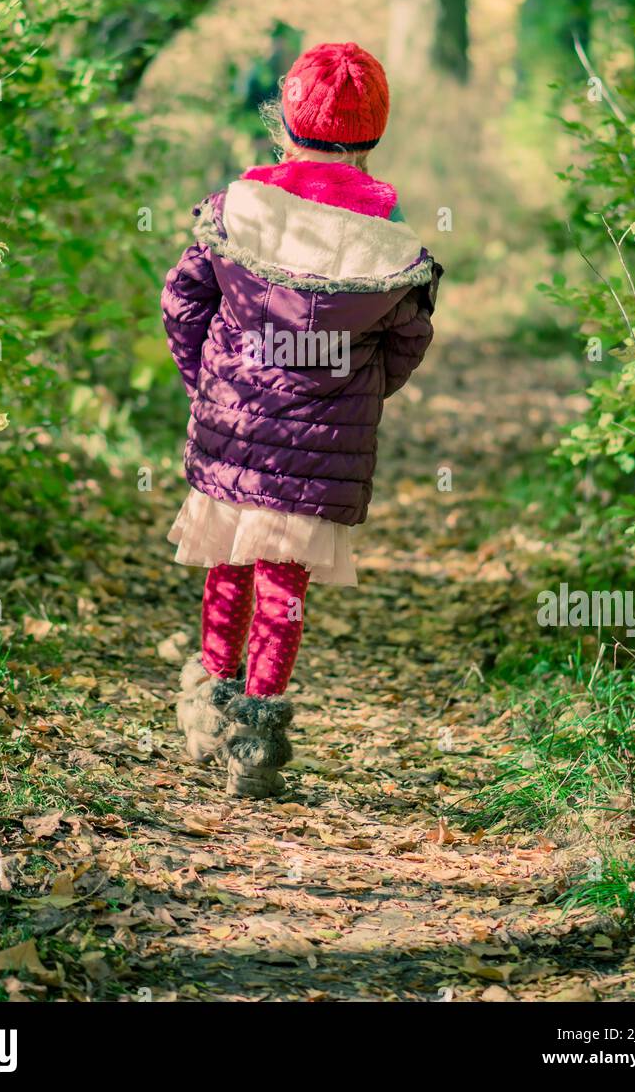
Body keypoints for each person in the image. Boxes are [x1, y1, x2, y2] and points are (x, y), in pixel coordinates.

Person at [161, 42, 441, 798]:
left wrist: (207, 383)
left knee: (227, 566)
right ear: (374, 133)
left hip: (233, 427)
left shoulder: (236, 212)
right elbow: (408, 336)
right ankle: (257, 736)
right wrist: (355, 399)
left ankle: (207, 701)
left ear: (285, 119)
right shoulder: (392, 240)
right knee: (284, 583)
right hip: (321, 449)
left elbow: (183, 300)